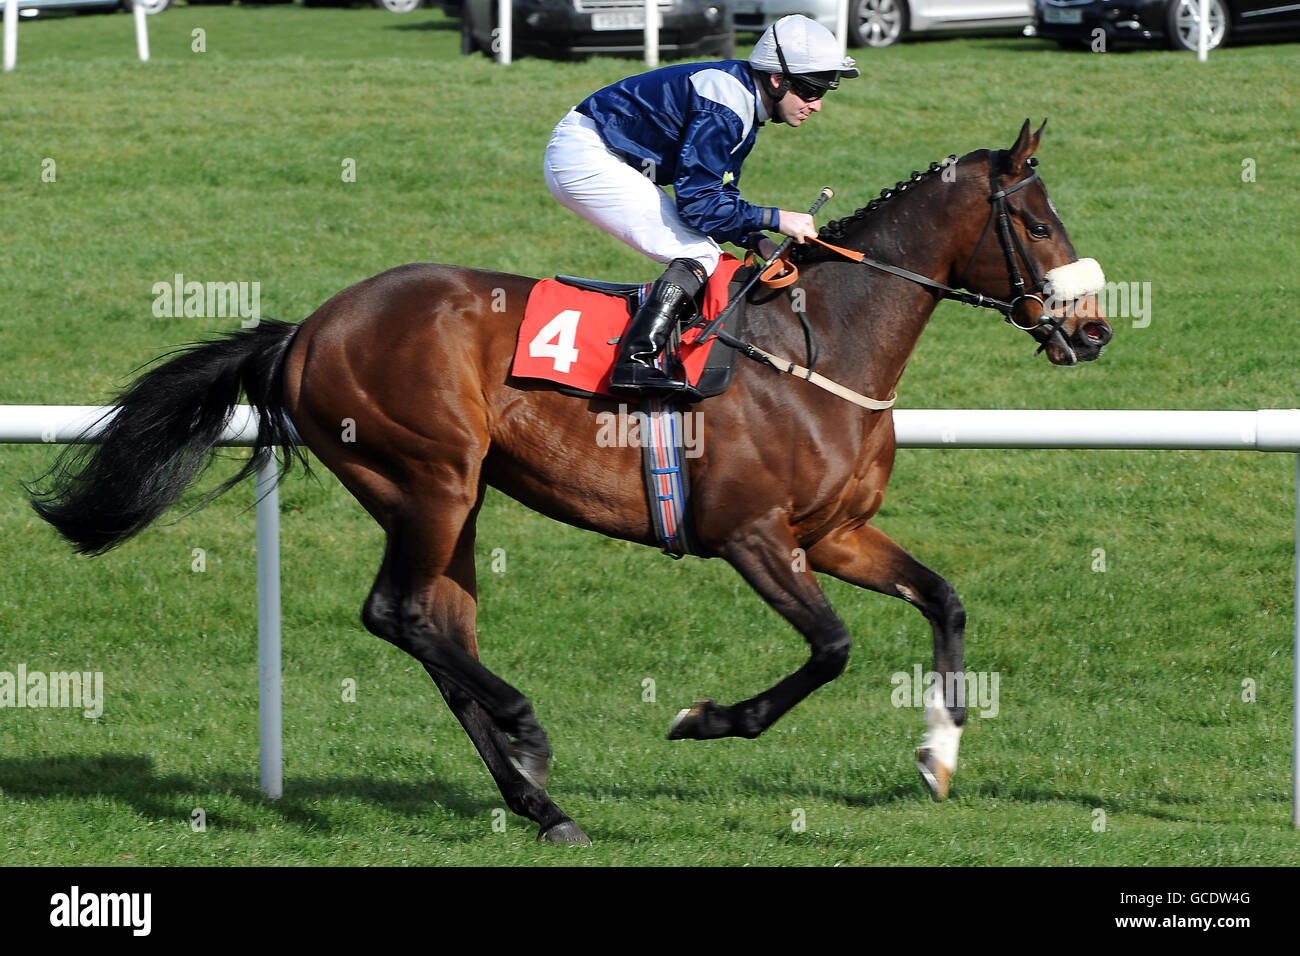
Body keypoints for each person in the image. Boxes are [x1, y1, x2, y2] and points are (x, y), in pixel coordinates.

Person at [543, 15, 859, 398]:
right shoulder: (724, 106)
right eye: (811, 92)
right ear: (778, 79)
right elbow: (698, 207)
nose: (817, 106)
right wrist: (778, 219)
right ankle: (635, 363)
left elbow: (716, 198)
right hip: (586, 157)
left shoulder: (742, 101)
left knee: (703, 251)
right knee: (697, 252)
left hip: (598, 151)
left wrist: (755, 240)